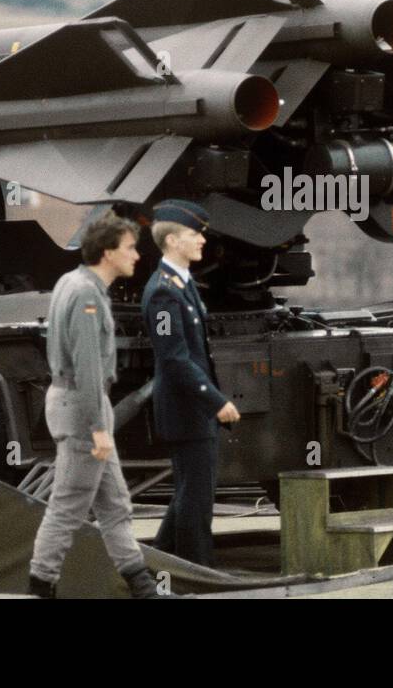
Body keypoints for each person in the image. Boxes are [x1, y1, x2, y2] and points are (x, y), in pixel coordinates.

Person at [29, 212, 162, 599]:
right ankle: (40, 586)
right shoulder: (86, 294)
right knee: (68, 506)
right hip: (83, 406)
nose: (137, 255)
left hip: (81, 403)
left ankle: (143, 588)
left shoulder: (71, 282)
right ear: (107, 253)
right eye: (130, 248)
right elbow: (87, 367)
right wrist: (99, 430)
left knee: (115, 503)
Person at [141, 199, 240, 567]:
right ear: (171, 242)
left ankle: (154, 567)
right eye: (194, 234)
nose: (202, 240)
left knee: (188, 495)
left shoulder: (183, 283)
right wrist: (215, 401)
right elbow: (174, 358)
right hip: (187, 410)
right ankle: (200, 578)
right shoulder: (164, 293)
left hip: (191, 411)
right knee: (197, 502)